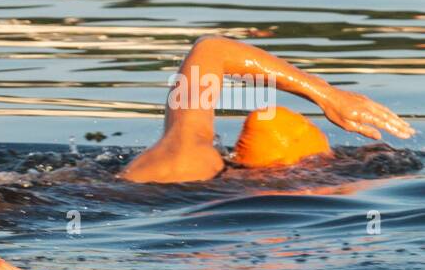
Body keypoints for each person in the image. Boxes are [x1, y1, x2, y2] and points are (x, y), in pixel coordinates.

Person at [119, 35, 415, 184]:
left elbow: (210, 50)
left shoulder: (186, 153)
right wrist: (326, 94)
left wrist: (326, 95)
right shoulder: (189, 163)